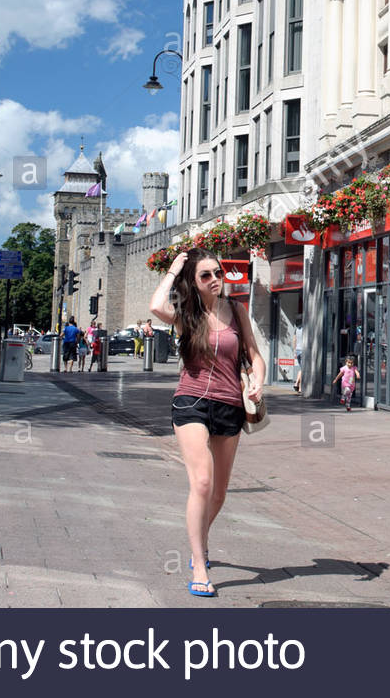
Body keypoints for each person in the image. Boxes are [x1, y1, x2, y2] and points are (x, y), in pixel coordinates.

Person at [150, 249, 263, 599]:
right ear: (193, 283)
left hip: (229, 406)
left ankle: (201, 537)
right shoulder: (188, 315)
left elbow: (254, 355)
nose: (216, 279)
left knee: (219, 493)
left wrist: (258, 381)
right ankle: (199, 564)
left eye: (219, 272)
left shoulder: (237, 311)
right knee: (201, 482)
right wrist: (173, 270)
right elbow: (156, 307)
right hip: (191, 403)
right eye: (206, 275)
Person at [292, 323, 303, 393]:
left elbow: (294, 340)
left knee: (301, 368)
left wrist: (294, 351)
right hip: (303, 350)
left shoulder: (297, 329)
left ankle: (297, 384)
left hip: (298, 350)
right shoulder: (305, 329)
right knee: (303, 369)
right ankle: (300, 387)